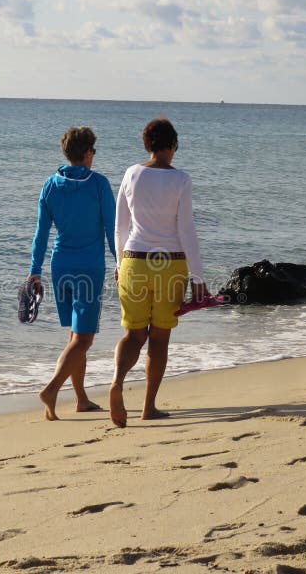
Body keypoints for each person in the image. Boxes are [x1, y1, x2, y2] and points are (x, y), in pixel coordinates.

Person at [110, 118, 209, 427]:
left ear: (146, 145)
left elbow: (120, 225)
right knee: (159, 339)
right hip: (170, 264)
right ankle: (148, 407)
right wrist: (198, 277)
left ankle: (116, 383)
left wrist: (119, 263)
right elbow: (186, 229)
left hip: (134, 260)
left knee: (133, 333)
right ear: (173, 146)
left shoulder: (131, 173)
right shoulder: (181, 180)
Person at [28, 126, 117, 421]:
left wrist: (34, 271)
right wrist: (121, 263)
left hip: (60, 266)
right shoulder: (99, 184)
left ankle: (81, 399)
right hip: (88, 269)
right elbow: (111, 230)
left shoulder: (50, 185)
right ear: (88, 152)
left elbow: (41, 233)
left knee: (75, 335)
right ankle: (51, 389)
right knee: (84, 338)